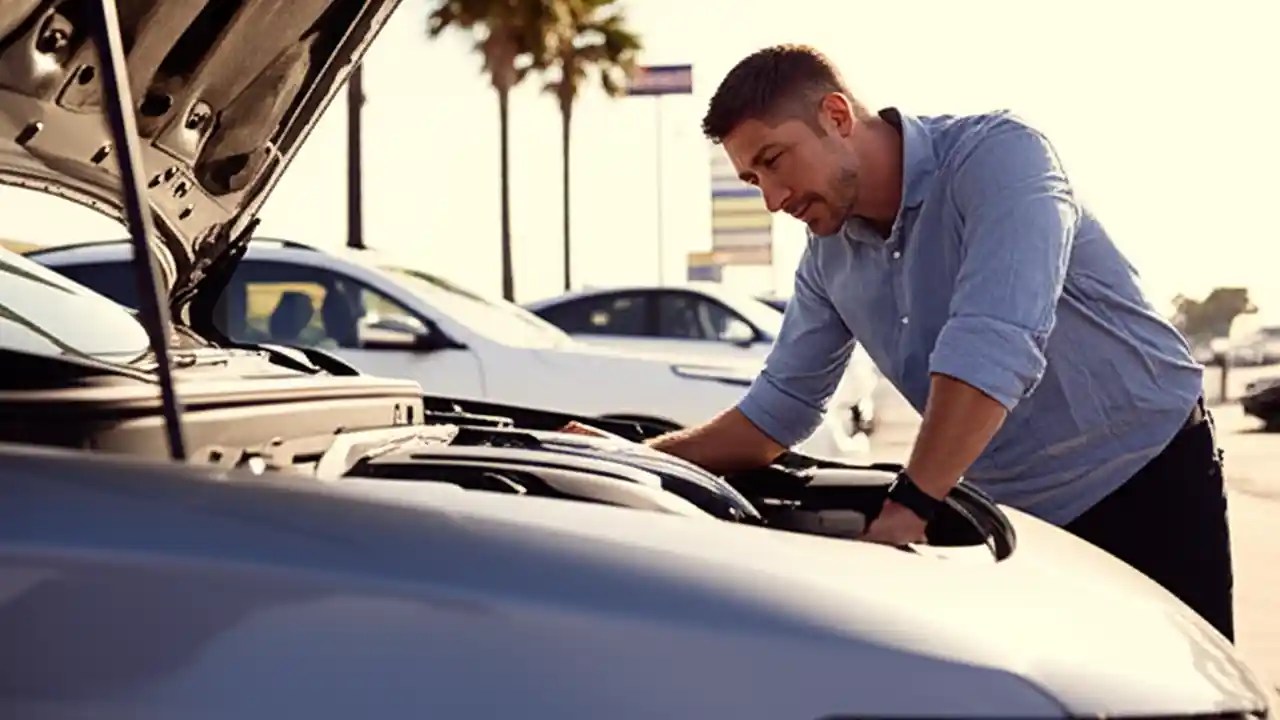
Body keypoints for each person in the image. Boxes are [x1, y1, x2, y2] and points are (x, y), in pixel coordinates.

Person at [563, 44, 1234, 642]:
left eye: (773, 161)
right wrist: (636, 459)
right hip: (1025, 522)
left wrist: (909, 509)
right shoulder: (827, 259)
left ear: (834, 115)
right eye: (751, 180)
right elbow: (777, 413)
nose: (771, 198)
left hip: (1151, 480)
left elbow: (993, 346)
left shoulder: (1000, 158)